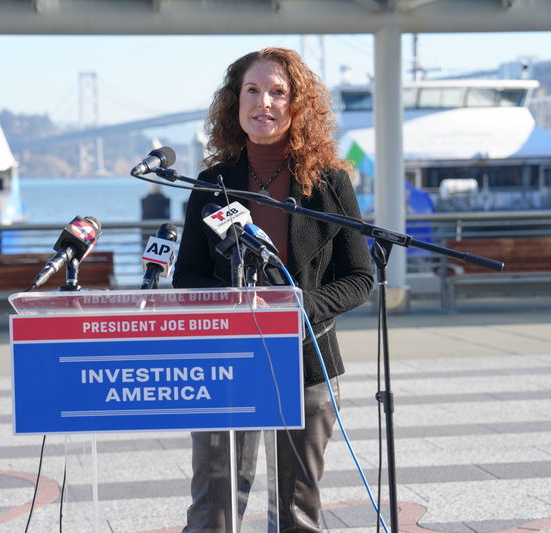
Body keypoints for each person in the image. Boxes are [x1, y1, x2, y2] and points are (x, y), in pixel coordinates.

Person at [172, 47, 374, 532]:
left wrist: (295, 308)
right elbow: (187, 277)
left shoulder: (329, 183)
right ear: (234, 103)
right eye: (253, 90)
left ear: (297, 105)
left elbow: (359, 277)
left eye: (278, 92)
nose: (264, 102)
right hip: (228, 362)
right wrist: (237, 304)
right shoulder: (212, 185)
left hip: (307, 361)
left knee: (297, 515)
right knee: (212, 514)